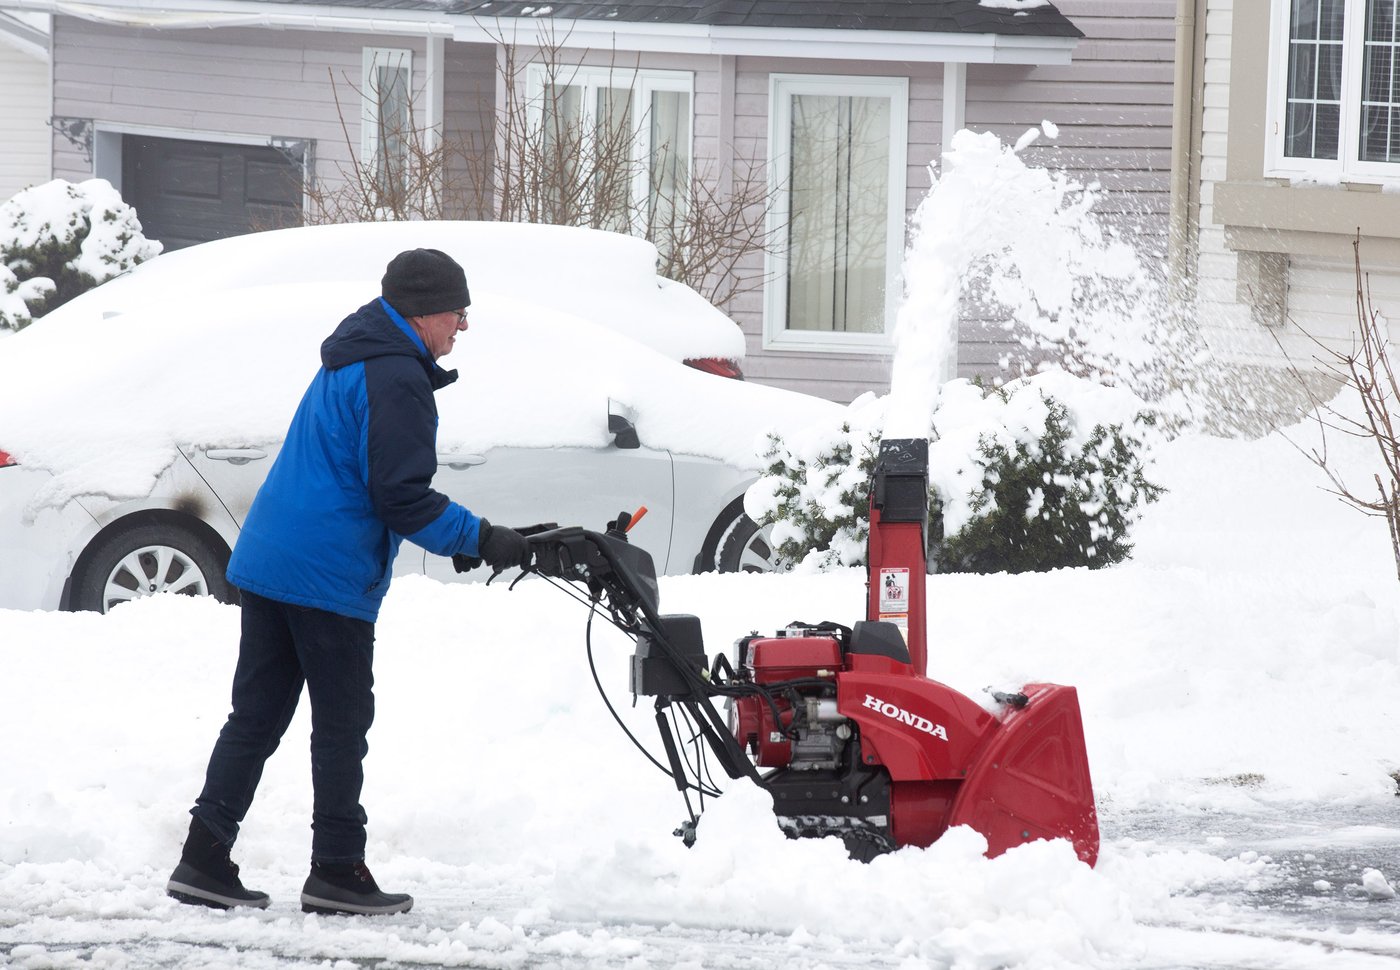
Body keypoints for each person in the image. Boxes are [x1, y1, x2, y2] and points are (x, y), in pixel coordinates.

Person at [166, 248, 530, 916]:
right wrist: (481, 538)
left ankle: (202, 857)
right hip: (324, 570)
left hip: (274, 557)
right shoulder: (397, 377)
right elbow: (401, 497)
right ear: (425, 312)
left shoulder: (355, 354)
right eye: (458, 311)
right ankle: (336, 869)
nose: (463, 327)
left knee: (256, 716)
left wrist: (464, 539)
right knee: (341, 723)